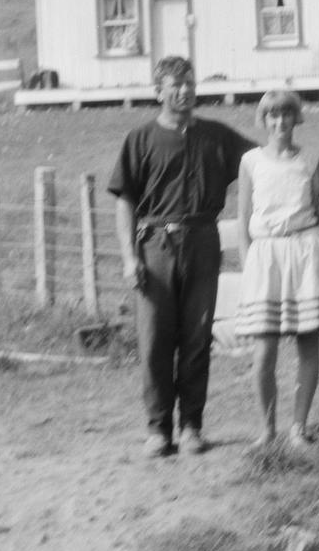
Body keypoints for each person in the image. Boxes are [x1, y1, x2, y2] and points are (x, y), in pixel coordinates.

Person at [108, 56, 255, 458]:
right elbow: (125, 202)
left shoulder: (216, 136)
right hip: (155, 245)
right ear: (158, 91)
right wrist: (129, 258)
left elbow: (260, 163)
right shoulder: (140, 140)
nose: (184, 91)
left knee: (196, 337)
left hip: (203, 241)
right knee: (155, 339)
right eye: (175, 84)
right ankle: (158, 429)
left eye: (189, 83)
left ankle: (192, 426)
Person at [234, 88, 319, 447]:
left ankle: (299, 427)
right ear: (264, 120)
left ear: (296, 118)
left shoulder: (308, 158)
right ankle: (267, 429)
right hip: (267, 257)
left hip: (305, 253)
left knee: (307, 345)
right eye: (272, 116)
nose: (280, 122)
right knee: (264, 352)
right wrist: (248, 261)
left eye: (286, 115)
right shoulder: (251, 160)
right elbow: (243, 217)